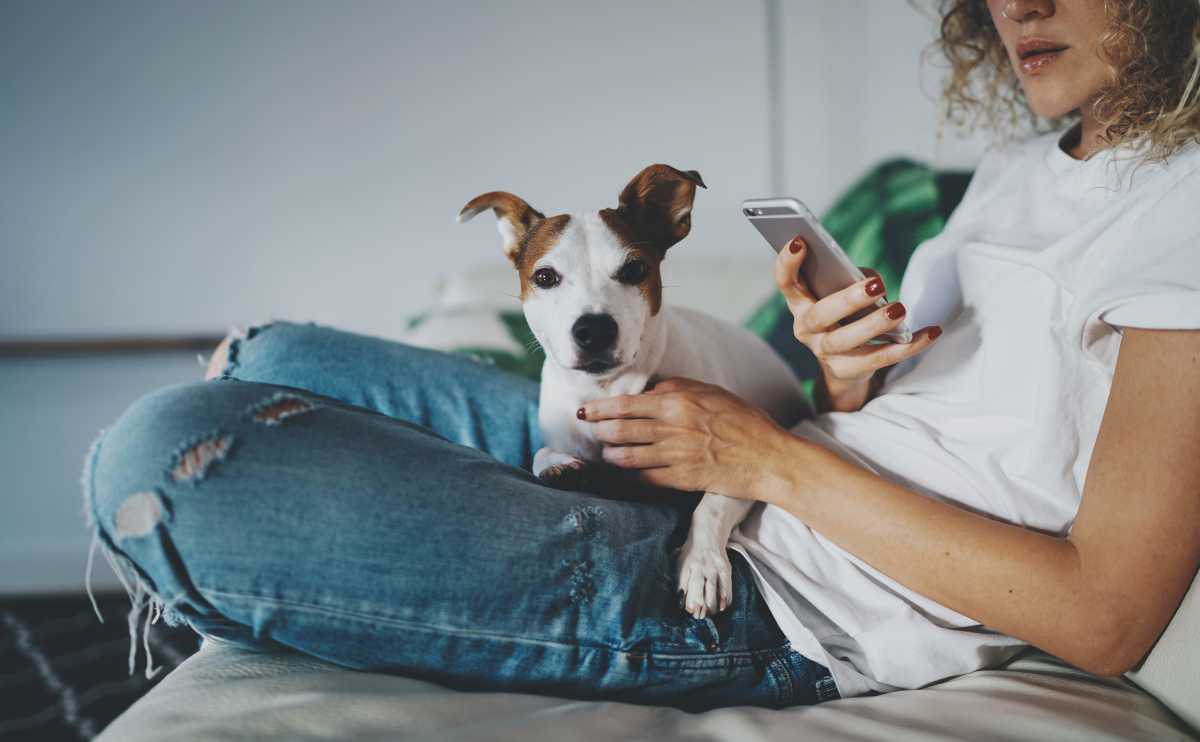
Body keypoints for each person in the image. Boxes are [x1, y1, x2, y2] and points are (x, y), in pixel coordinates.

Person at [84, 0, 1200, 710]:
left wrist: (762, 461)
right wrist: (843, 369)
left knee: (172, 455)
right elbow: (926, 418)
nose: (1022, 4)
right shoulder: (1020, 157)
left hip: (780, 598)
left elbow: (1104, 614)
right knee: (277, 349)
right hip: (736, 473)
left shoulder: (1184, 206)